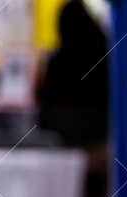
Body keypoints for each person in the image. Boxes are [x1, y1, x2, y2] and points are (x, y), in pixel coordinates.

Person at [36, 0, 109, 149]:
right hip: (98, 135)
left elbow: (44, 99)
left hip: (61, 138)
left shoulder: (57, 61)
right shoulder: (104, 57)